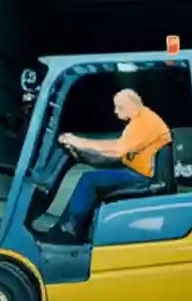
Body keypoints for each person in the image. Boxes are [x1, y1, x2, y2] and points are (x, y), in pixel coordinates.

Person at [45, 88, 171, 243]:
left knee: (89, 180)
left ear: (131, 105)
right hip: (139, 172)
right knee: (93, 176)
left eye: (119, 107)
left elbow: (117, 150)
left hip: (143, 177)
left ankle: (69, 229)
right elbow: (112, 156)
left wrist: (77, 141)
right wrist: (84, 156)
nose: (115, 112)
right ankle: (77, 228)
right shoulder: (139, 121)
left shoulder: (145, 121)